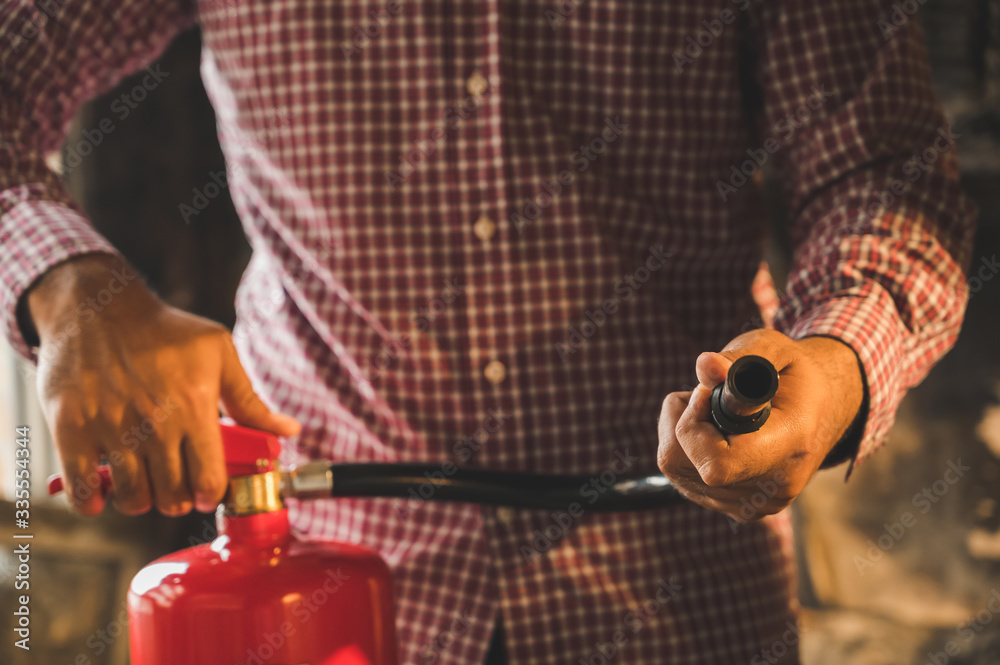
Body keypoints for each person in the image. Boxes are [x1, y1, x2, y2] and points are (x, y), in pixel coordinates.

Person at [0, 1, 976, 663]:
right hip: (315, 589)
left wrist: (839, 362)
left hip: (676, 589)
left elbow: (883, 172)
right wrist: (68, 282)